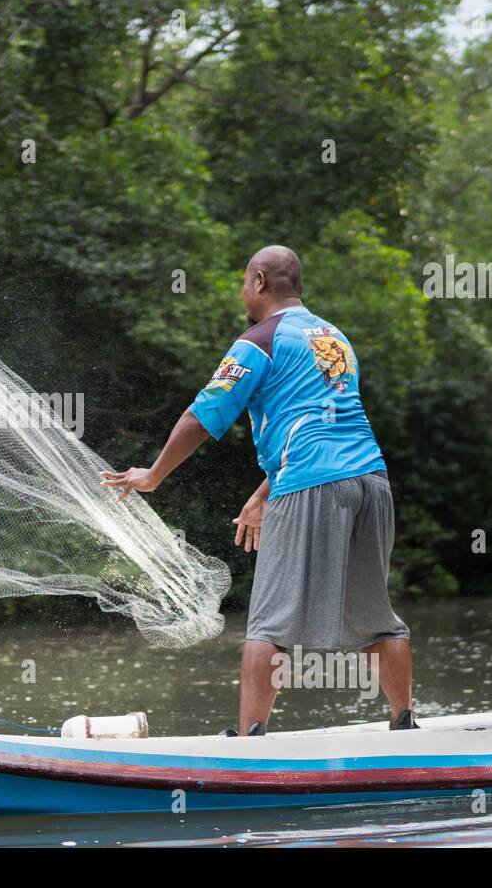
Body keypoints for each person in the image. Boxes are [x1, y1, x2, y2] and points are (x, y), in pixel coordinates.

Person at [100, 245, 416, 735]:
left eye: (245, 282)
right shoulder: (333, 337)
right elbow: (322, 421)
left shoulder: (259, 339)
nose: (243, 292)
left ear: (260, 281)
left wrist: (154, 474)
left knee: (268, 624)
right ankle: (404, 721)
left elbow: (202, 416)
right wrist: (265, 492)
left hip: (312, 484)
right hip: (371, 481)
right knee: (376, 616)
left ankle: (250, 740)